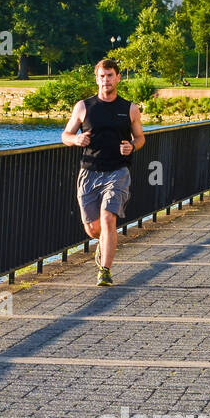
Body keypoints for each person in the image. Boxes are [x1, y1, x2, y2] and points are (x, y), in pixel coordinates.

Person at [62, 59, 146, 286]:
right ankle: (105, 242)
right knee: (92, 228)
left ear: (118, 78)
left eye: (110, 75)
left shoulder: (129, 108)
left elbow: (140, 138)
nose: (106, 80)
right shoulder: (83, 107)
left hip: (118, 171)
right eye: (102, 76)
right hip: (89, 172)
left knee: (108, 218)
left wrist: (132, 146)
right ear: (96, 78)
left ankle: (105, 271)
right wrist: (76, 139)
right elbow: (65, 135)